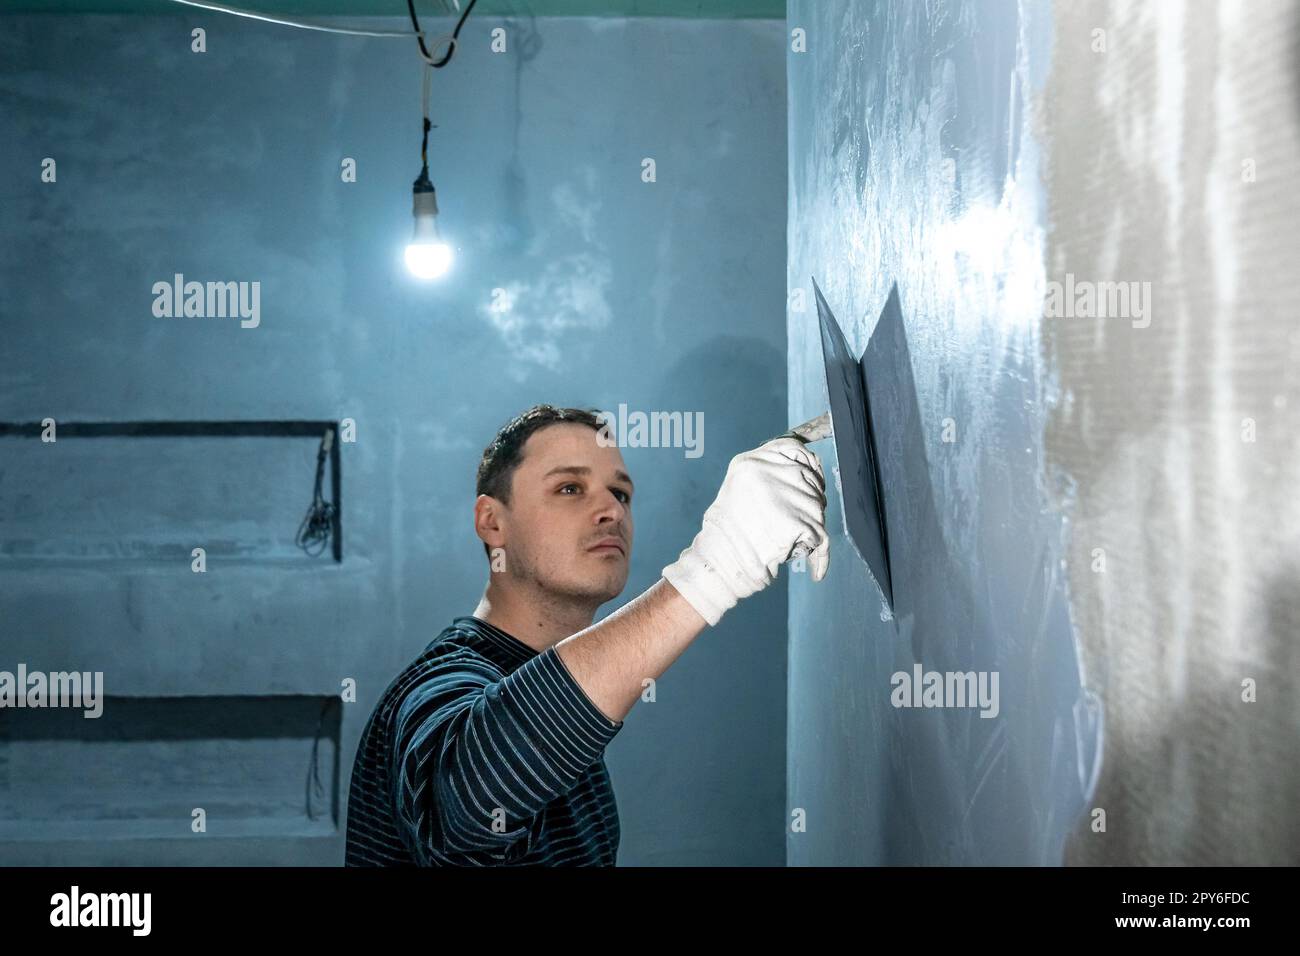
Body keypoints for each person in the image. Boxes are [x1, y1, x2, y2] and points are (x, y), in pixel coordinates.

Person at [344, 403, 829, 865]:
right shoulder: (438, 684)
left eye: (621, 493)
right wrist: (716, 568)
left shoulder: (575, 703)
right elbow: (467, 809)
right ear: (492, 522)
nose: (612, 510)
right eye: (570, 488)